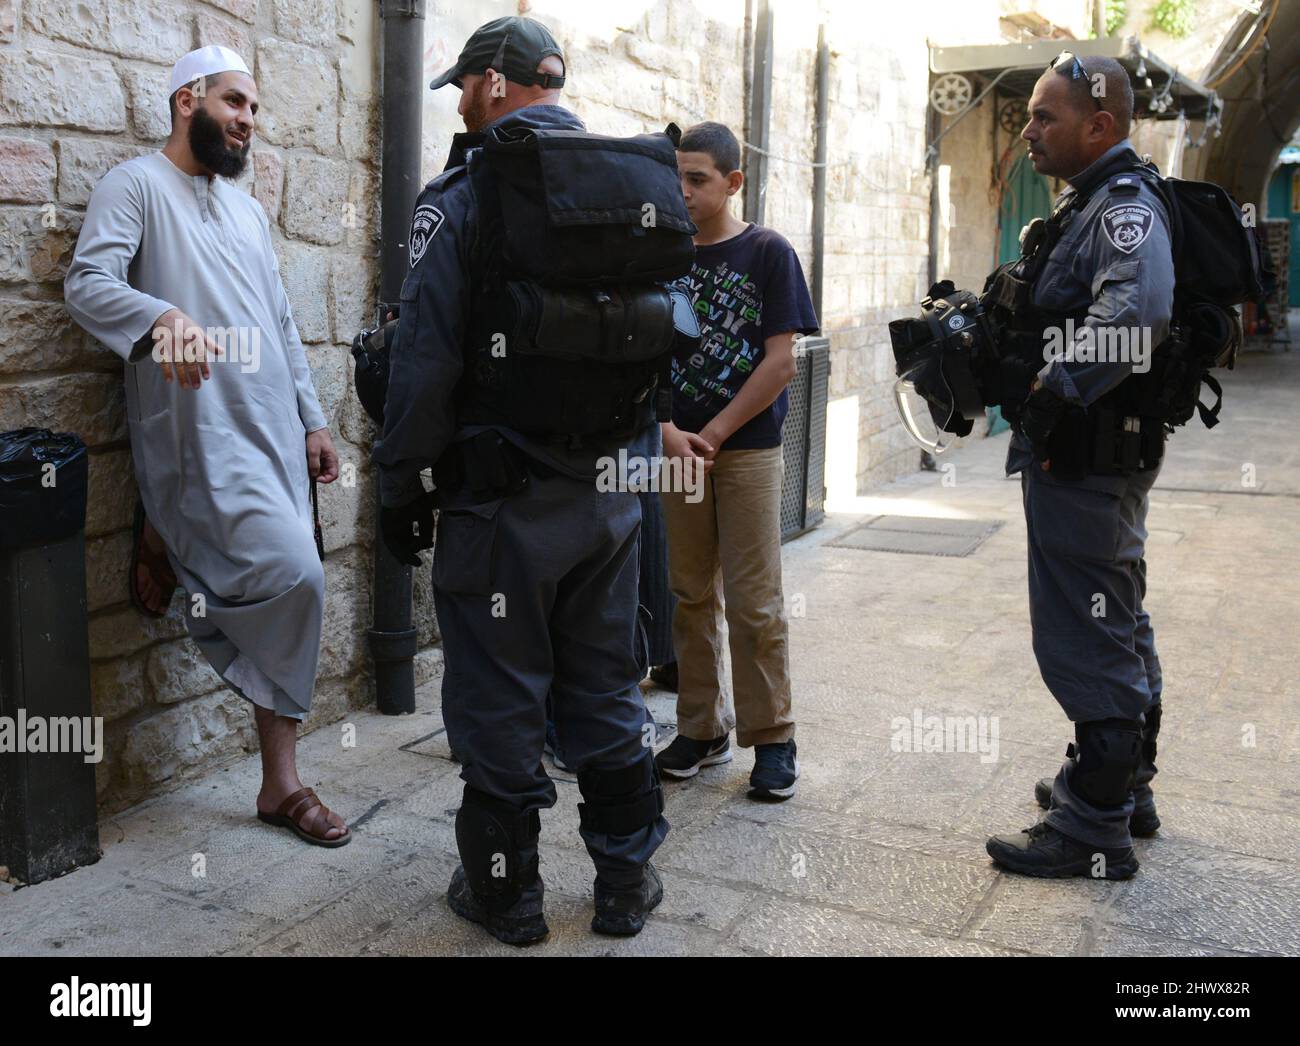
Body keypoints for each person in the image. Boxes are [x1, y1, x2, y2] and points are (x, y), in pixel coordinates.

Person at [372, 15, 677, 944]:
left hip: (501, 506)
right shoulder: (627, 183)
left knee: (499, 700)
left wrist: (400, 485)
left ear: (499, 84)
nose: (461, 103)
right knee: (606, 688)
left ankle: (509, 898)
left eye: (466, 85)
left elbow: (422, 358)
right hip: (611, 500)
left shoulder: (464, 196)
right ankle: (625, 886)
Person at [64, 45, 349, 847]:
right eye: (234, 102)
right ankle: (286, 783)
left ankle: (166, 541)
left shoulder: (247, 209)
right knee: (297, 575)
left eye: (254, 110)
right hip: (195, 430)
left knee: (290, 570)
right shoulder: (136, 186)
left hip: (268, 429)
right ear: (187, 99)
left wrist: (313, 420)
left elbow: (284, 322)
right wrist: (161, 318)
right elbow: (88, 283)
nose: (247, 120)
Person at [982, 53, 1174, 878]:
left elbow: (1139, 310)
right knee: (1117, 614)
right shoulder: (1092, 204)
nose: (1028, 129)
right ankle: (1123, 788)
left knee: (1085, 629)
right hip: (1095, 451)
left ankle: (1093, 822)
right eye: (1029, 114)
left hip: (1088, 451)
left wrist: (1052, 388)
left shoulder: (1123, 208)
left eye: (1044, 116)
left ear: (1101, 126)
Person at [652, 122, 819, 800]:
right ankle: (701, 726)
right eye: (677, 177)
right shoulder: (662, 256)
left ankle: (773, 737)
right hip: (675, 451)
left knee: (755, 602)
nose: (685, 191)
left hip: (744, 450)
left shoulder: (767, 253)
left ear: (733, 181)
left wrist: (713, 432)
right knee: (690, 595)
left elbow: (781, 363)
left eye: (698, 179)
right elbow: (646, 349)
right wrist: (665, 428)